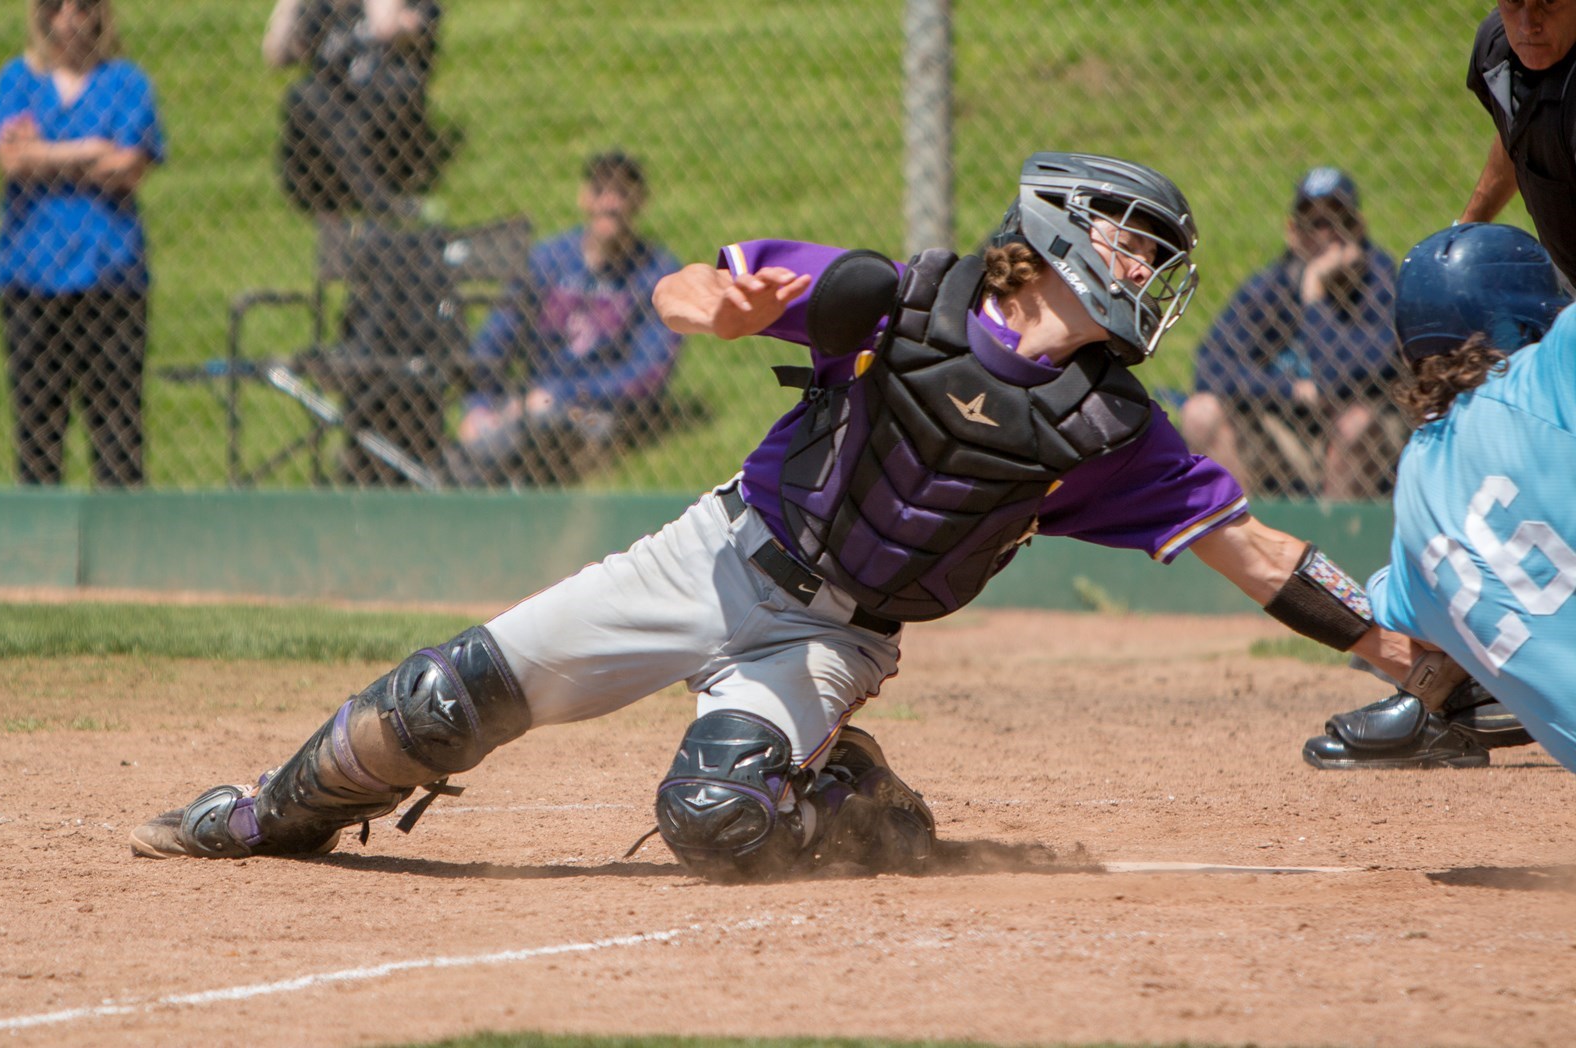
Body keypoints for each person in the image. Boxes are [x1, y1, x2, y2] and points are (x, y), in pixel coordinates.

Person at [127, 152, 1447, 882]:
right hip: (715, 557)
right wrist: (714, 297)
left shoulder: (1111, 432)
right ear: (1060, 231)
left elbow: (1258, 552)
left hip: (832, 639)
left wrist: (1392, 648)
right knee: (436, 703)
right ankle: (265, 812)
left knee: (719, 820)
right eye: (1140, 247)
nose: (1154, 279)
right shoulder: (898, 295)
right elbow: (707, 285)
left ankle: (853, 809)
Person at [1304, 224, 1576, 774]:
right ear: (1530, 322)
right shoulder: (1549, 372)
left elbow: (1385, 605)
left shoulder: (1416, 470)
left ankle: (1465, 695)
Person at [0, 0, 165, 487]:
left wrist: (42, 154)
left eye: (82, 6)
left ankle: (125, 549)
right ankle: (44, 549)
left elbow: (128, 169)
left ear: (100, 14)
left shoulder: (127, 83)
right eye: (54, 6)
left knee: (117, 429)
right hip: (31, 277)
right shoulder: (18, 81)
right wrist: (90, 149)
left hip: (109, 277)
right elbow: (11, 161)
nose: (68, 17)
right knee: (38, 429)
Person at [450, 151, 683, 486]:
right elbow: (492, 343)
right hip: (531, 403)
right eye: (600, 191)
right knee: (511, 430)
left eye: (622, 193)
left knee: (535, 428)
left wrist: (560, 394)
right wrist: (479, 405)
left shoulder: (658, 274)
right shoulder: (549, 260)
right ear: (583, 198)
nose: (610, 203)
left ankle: (456, 476)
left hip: (602, 409)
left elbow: (647, 374)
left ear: (640, 201)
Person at [1181, 167, 1402, 500]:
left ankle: (1341, 544)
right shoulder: (1272, 286)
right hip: (1285, 433)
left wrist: (1315, 294)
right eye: (1315, 223)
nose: (1327, 235)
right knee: (1201, 413)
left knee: (1356, 422)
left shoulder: (1382, 283)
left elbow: (1339, 376)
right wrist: (1292, 390)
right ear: (1293, 232)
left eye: (1339, 222)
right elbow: (1210, 368)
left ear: (1359, 227)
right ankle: (1246, 539)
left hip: (1365, 440)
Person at [266, 0, 445, 217]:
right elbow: (277, 55)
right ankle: (376, 199)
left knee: (394, 86)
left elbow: (388, 29)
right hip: (332, 109)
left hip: (382, 109)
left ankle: (377, 200)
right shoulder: (327, 7)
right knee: (304, 95)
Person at [1459, 0, 1576, 287]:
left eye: (1548, 2)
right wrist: (1466, 229)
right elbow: (1521, 132)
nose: (1528, 24)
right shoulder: (1497, 51)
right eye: (1514, 2)